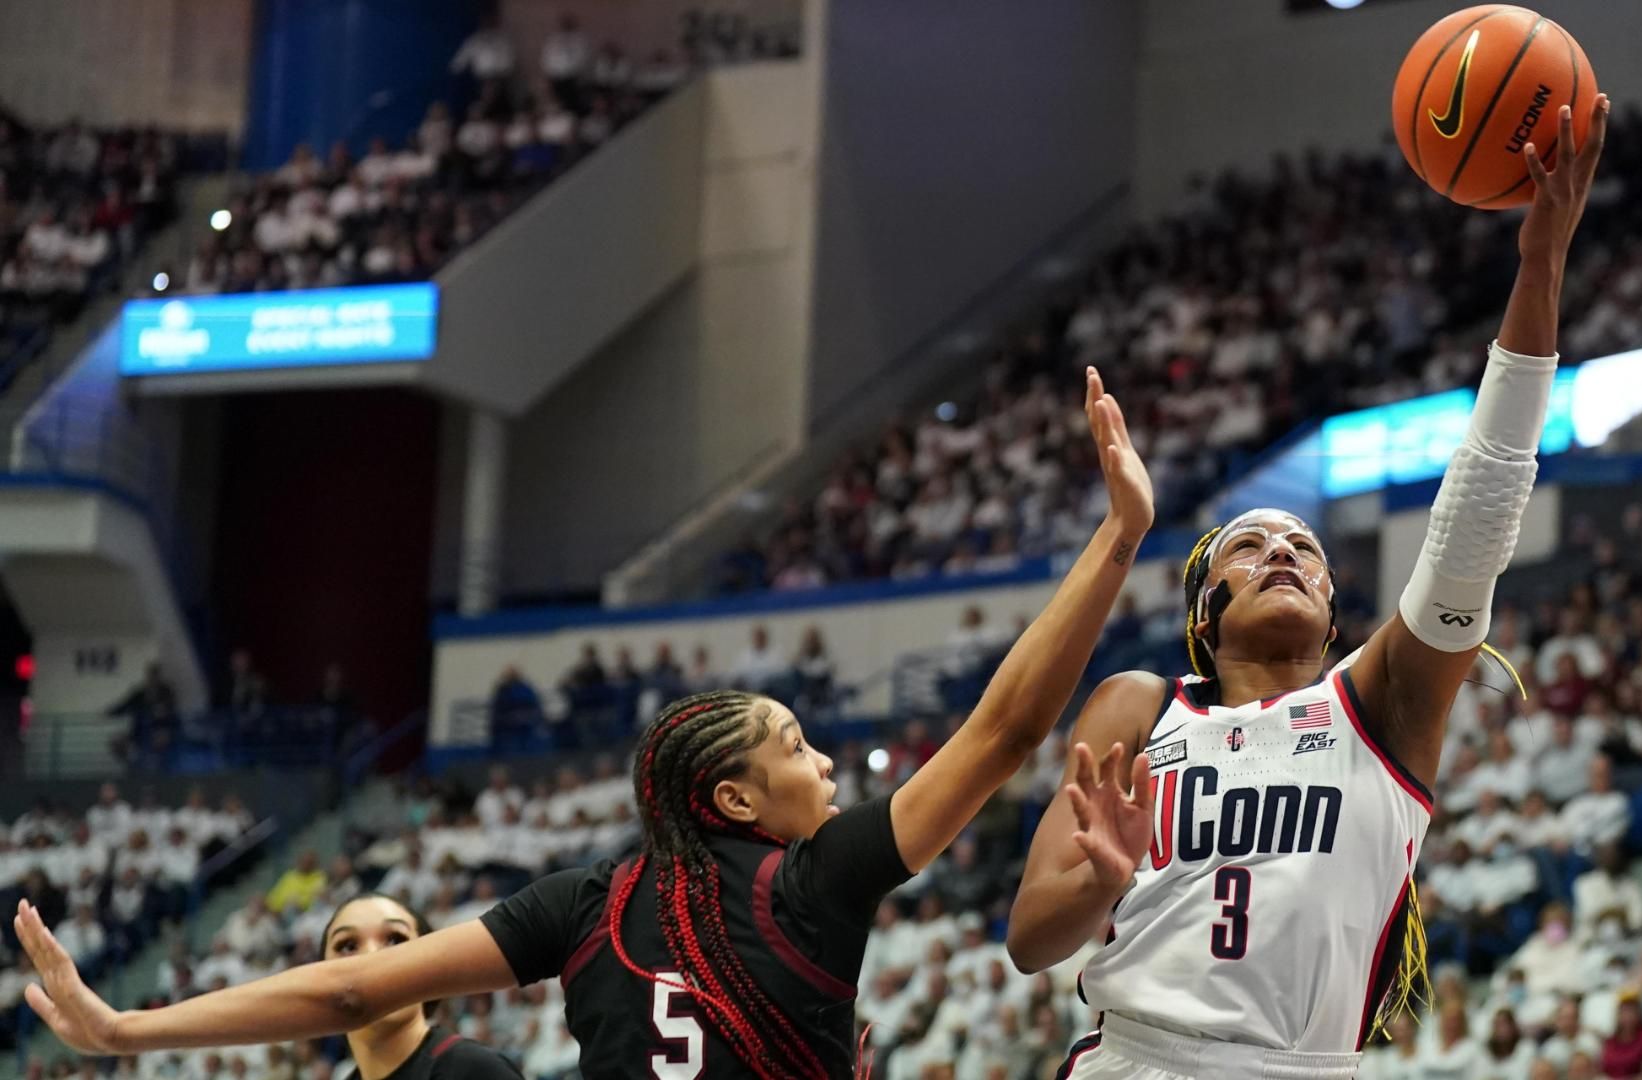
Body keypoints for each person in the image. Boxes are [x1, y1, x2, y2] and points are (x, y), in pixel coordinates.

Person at [13, 367, 1157, 1080]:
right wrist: (1115, 540)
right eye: (797, 748)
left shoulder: (583, 902)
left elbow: (356, 992)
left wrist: (126, 1032)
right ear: (735, 801)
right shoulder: (817, 881)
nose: (824, 763)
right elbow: (1005, 730)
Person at [1007, 95, 1609, 1076]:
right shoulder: (1139, 705)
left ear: (1335, 614)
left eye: (1307, 552)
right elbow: (1032, 938)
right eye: (1250, 547)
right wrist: (1099, 884)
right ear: (1206, 611)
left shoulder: (1383, 704)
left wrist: (1540, 268)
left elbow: (1483, 500)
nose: (1284, 553)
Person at [322, 894, 521, 1080]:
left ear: (428, 968)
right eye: (348, 946)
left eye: (395, 940)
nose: (372, 957)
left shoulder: (475, 1070)